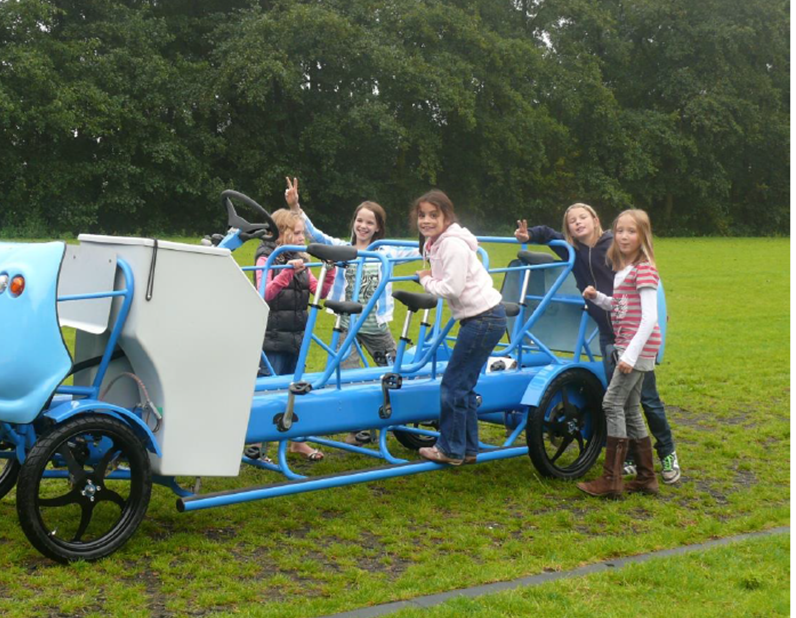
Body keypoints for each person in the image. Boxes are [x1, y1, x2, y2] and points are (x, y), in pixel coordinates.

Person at [514, 204, 681, 484]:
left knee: (647, 398)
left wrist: (657, 310)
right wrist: (529, 234)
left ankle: (667, 454)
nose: (578, 223)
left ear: (595, 220)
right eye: (572, 220)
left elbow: (645, 276)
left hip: (635, 333)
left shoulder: (613, 245)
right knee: (622, 399)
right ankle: (630, 459)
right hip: (608, 332)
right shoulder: (572, 249)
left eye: (583, 217)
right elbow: (549, 234)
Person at [284, 177, 420, 444]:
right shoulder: (343, 248)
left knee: (394, 370)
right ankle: (359, 428)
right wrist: (295, 207)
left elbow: (419, 250)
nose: (363, 226)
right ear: (354, 222)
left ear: (378, 227)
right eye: (360, 220)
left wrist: (450, 239)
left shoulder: (385, 251)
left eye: (370, 222)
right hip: (346, 325)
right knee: (349, 376)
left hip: (375, 326)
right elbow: (316, 235)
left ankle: (405, 414)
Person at [413, 190, 506, 466]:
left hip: (482, 318)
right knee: (463, 386)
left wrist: (425, 280)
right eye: (422, 215)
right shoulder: (438, 243)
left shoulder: (451, 244)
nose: (426, 220)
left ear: (447, 216)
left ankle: (450, 449)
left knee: (453, 385)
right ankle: (467, 449)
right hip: (484, 317)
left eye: (433, 215)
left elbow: (451, 288)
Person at [576, 209, 663, 497]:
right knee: (630, 408)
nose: (624, 237)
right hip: (628, 346)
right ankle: (646, 477)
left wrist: (629, 356)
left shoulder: (644, 269)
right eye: (620, 231)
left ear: (643, 236)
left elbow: (649, 318)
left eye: (631, 231)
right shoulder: (622, 270)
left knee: (611, 403)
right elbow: (621, 306)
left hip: (635, 349)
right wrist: (598, 298)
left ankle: (611, 479)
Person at [253, 208, 336, 461]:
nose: (303, 238)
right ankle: (256, 443)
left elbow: (319, 292)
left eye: (303, 233)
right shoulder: (266, 256)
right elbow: (263, 294)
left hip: (296, 336)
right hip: (272, 337)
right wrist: (286, 272)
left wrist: (330, 272)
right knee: (268, 390)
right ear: (281, 233)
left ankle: (297, 442)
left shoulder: (300, 258)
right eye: (298, 233)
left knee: (295, 390)